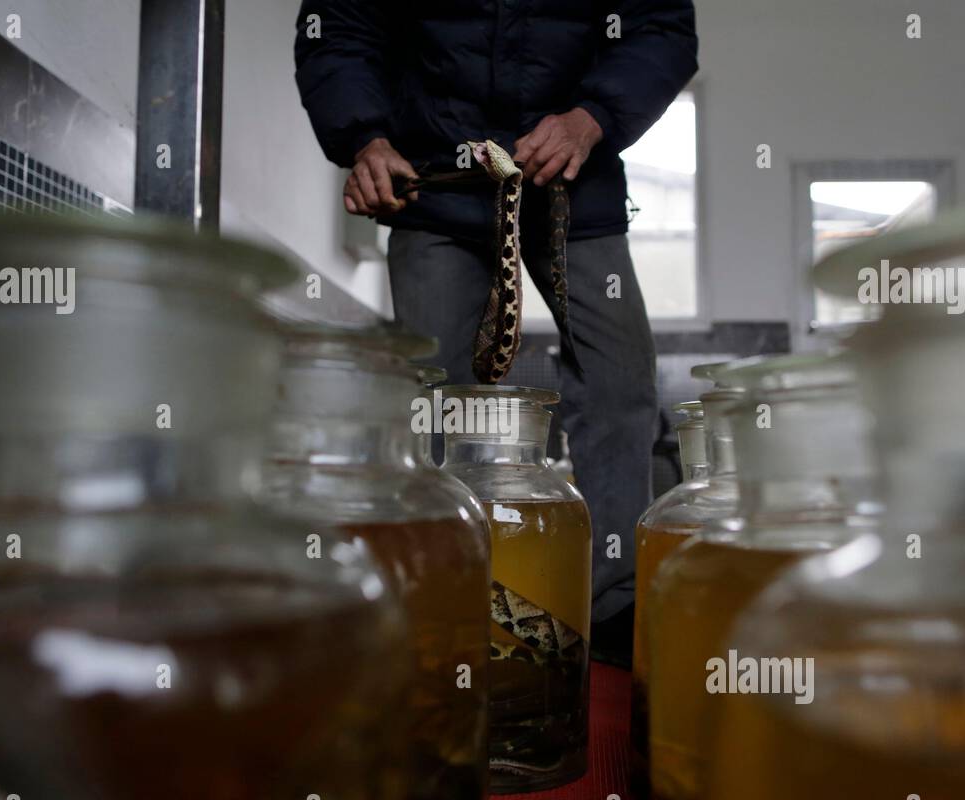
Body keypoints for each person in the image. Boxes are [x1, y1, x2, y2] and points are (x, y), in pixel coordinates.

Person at [294, 1, 699, 663]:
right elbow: (341, 27)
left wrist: (592, 118)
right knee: (432, 401)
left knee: (620, 379)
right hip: (433, 192)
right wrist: (363, 137)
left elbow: (662, 27)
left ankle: (613, 602)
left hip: (576, 187)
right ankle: (442, 596)